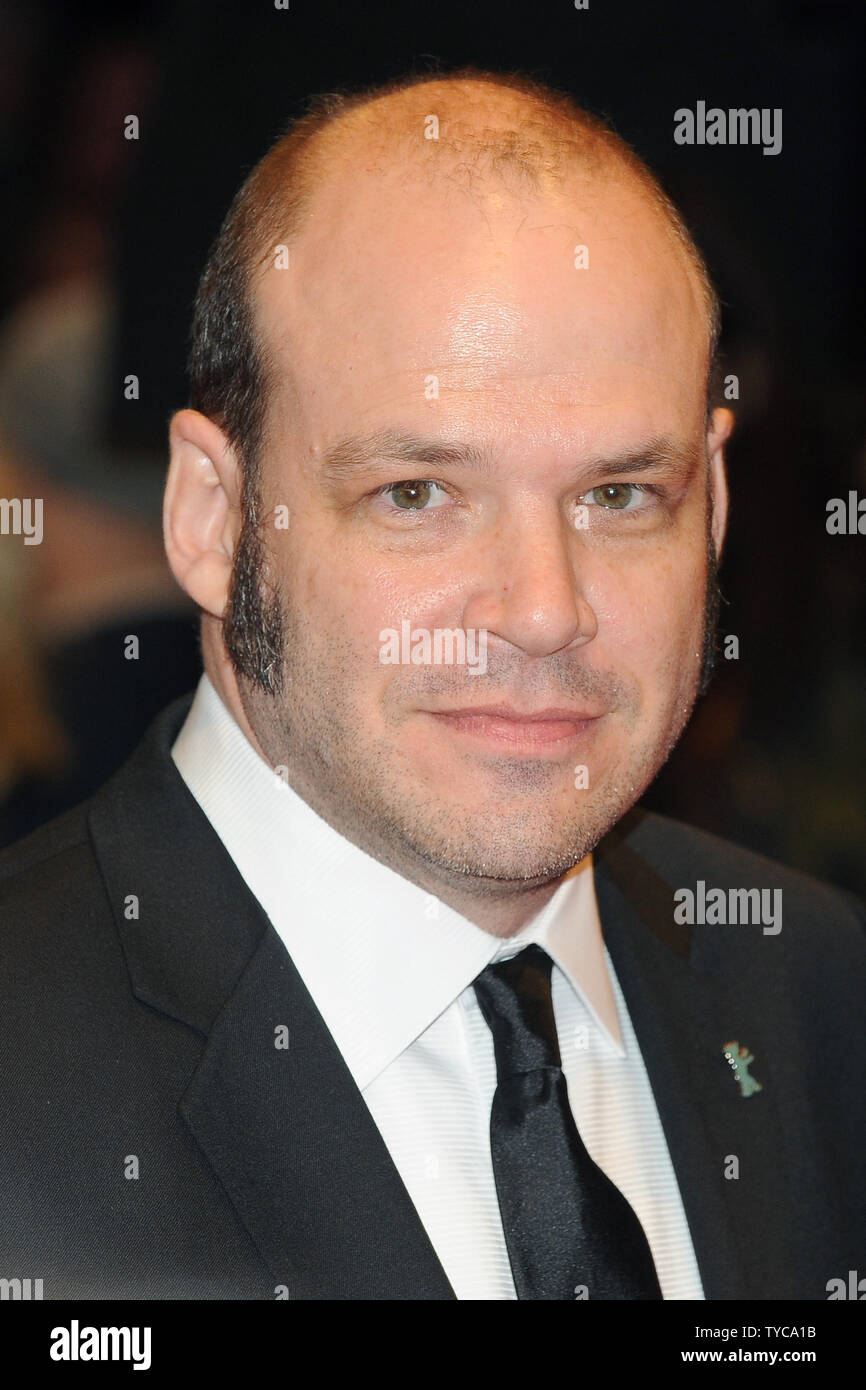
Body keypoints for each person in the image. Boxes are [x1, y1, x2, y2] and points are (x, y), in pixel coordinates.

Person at [0, 67, 863, 1301]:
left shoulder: (820, 995)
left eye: (618, 496)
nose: (542, 608)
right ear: (210, 516)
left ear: (712, 508)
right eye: (416, 494)